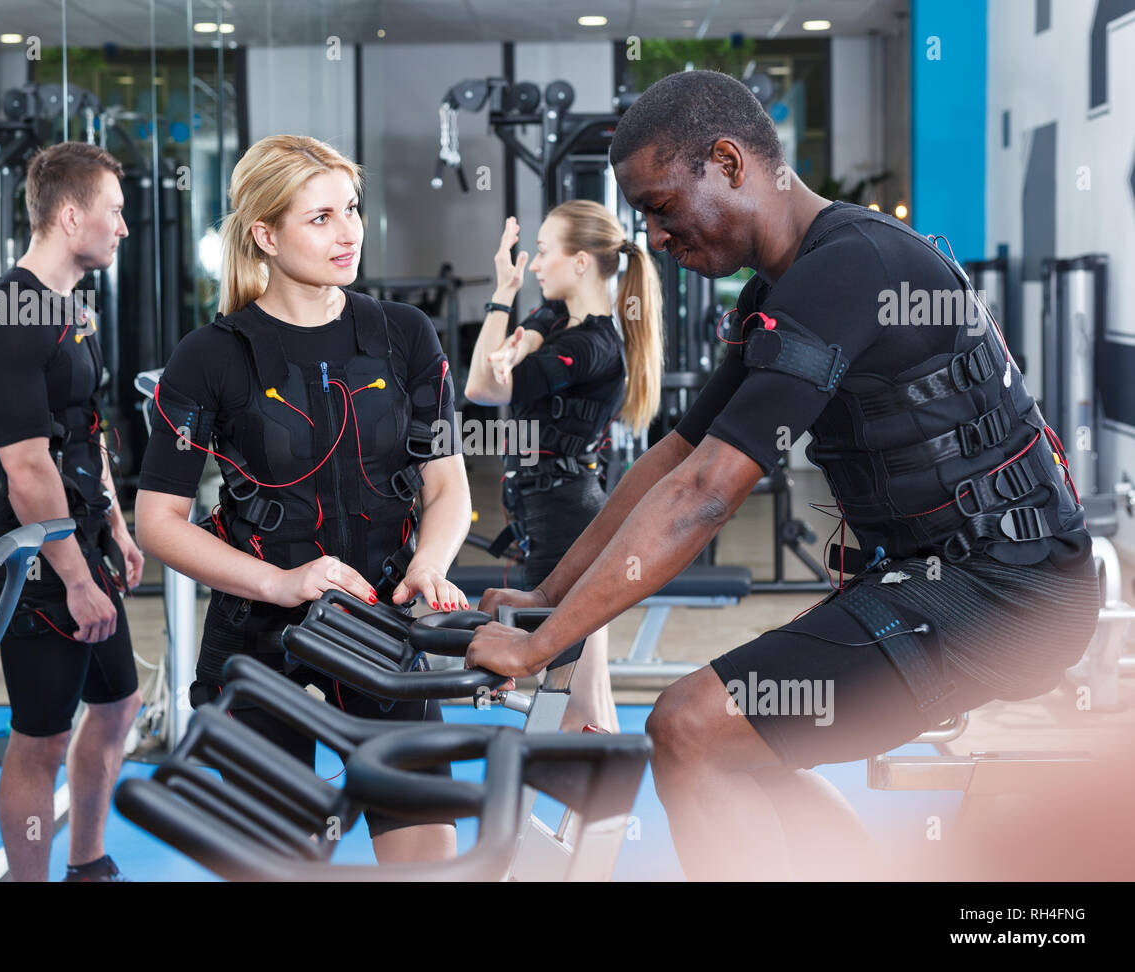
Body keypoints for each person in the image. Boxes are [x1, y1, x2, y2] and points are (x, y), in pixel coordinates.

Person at [465, 69, 1100, 880]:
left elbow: (705, 497)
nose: (654, 239)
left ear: (729, 163)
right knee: (741, 743)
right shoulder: (779, 288)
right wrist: (546, 598)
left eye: (661, 207)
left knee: (690, 725)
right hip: (938, 577)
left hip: (1010, 594)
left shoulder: (851, 267)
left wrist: (545, 643)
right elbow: (675, 459)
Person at [134, 135, 471, 863]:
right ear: (266, 233)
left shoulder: (405, 336)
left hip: (383, 631)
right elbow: (157, 522)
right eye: (319, 218)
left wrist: (430, 567)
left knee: (431, 865)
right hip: (258, 642)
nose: (348, 231)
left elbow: (447, 485)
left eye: (351, 209)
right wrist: (282, 582)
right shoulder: (210, 356)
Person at [0, 141, 143, 883]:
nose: (124, 227)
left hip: (86, 543)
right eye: (115, 212)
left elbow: (84, 432)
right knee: (39, 737)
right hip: (38, 561)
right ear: (72, 216)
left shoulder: (67, 308)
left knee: (120, 705)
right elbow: (26, 465)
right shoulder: (10, 316)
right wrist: (73, 574)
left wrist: (118, 529)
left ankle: (86, 864)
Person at [464, 203, 662, 733]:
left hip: (565, 523)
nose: (534, 264)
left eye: (545, 251)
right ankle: (605, 814)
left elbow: (482, 388)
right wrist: (520, 331)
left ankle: (605, 811)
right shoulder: (561, 320)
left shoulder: (590, 345)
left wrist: (501, 297)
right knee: (581, 698)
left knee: (572, 704)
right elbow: (533, 328)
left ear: (579, 263)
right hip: (558, 517)